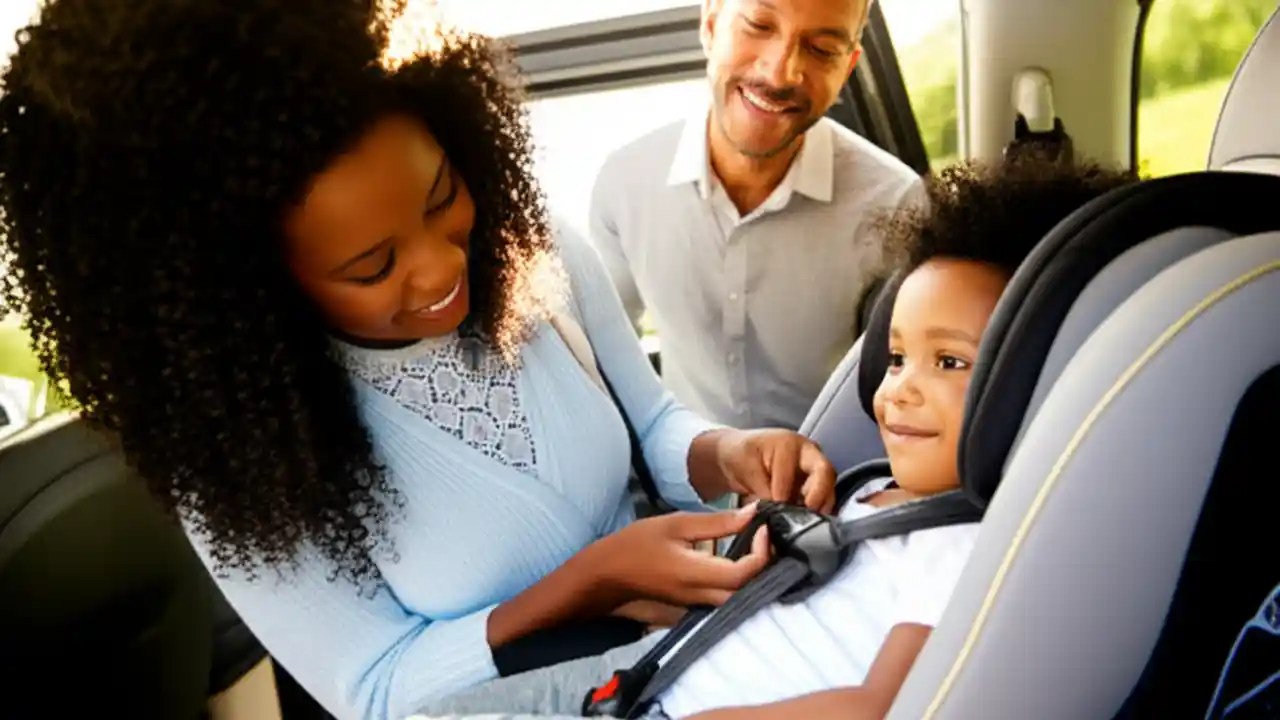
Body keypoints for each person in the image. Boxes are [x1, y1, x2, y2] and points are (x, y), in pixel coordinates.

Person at [0, 2, 839, 718]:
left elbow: (650, 419)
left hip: (697, 658)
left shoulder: (530, 248)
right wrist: (591, 584)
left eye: (443, 199)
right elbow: (372, 689)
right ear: (251, 293)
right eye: (371, 266)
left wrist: (721, 452)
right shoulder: (238, 461)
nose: (442, 268)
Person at [411, 154, 1139, 720]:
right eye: (895, 357)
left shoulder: (962, 548)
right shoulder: (867, 487)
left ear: (1039, 386)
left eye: (948, 362)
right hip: (651, 676)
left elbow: (888, 707)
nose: (898, 389)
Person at [589, 0, 924, 431]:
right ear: (710, 24)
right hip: (686, 483)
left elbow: (912, 387)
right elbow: (602, 357)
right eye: (758, 25)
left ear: (848, 67)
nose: (779, 73)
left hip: (835, 482)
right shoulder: (626, 184)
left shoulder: (895, 203)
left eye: (822, 49)